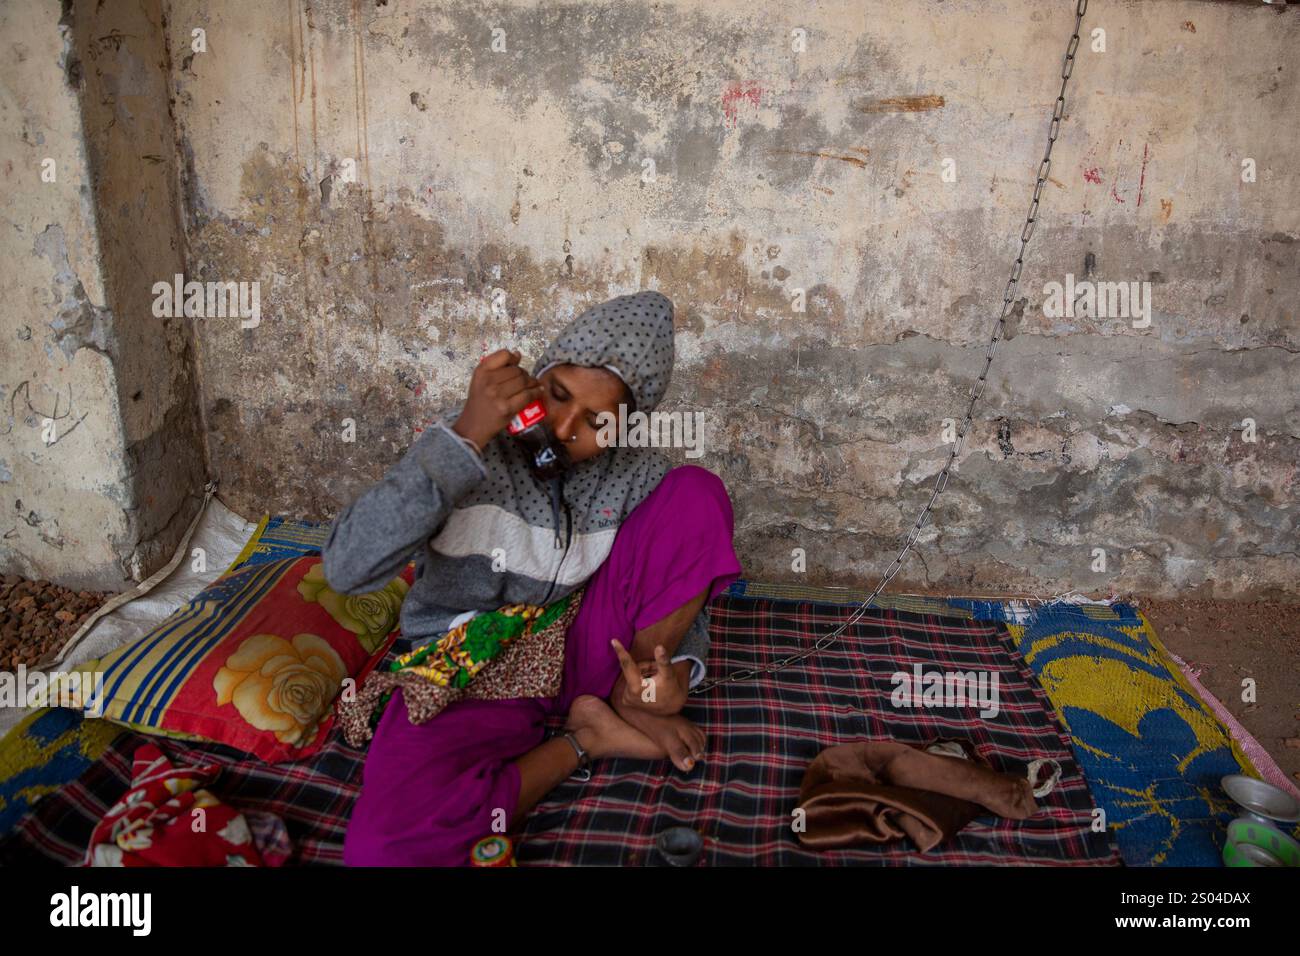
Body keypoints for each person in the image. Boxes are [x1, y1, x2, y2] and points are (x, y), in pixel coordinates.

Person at [322, 290, 744, 866]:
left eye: (598, 421)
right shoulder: (466, 450)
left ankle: (633, 699)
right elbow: (346, 568)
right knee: (384, 847)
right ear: (533, 379)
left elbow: (673, 580)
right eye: (558, 395)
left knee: (697, 494)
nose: (566, 428)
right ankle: (586, 737)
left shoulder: (634, 476)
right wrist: (466, 435)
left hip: (580, 647)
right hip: (465, 667)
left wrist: (672, 672)